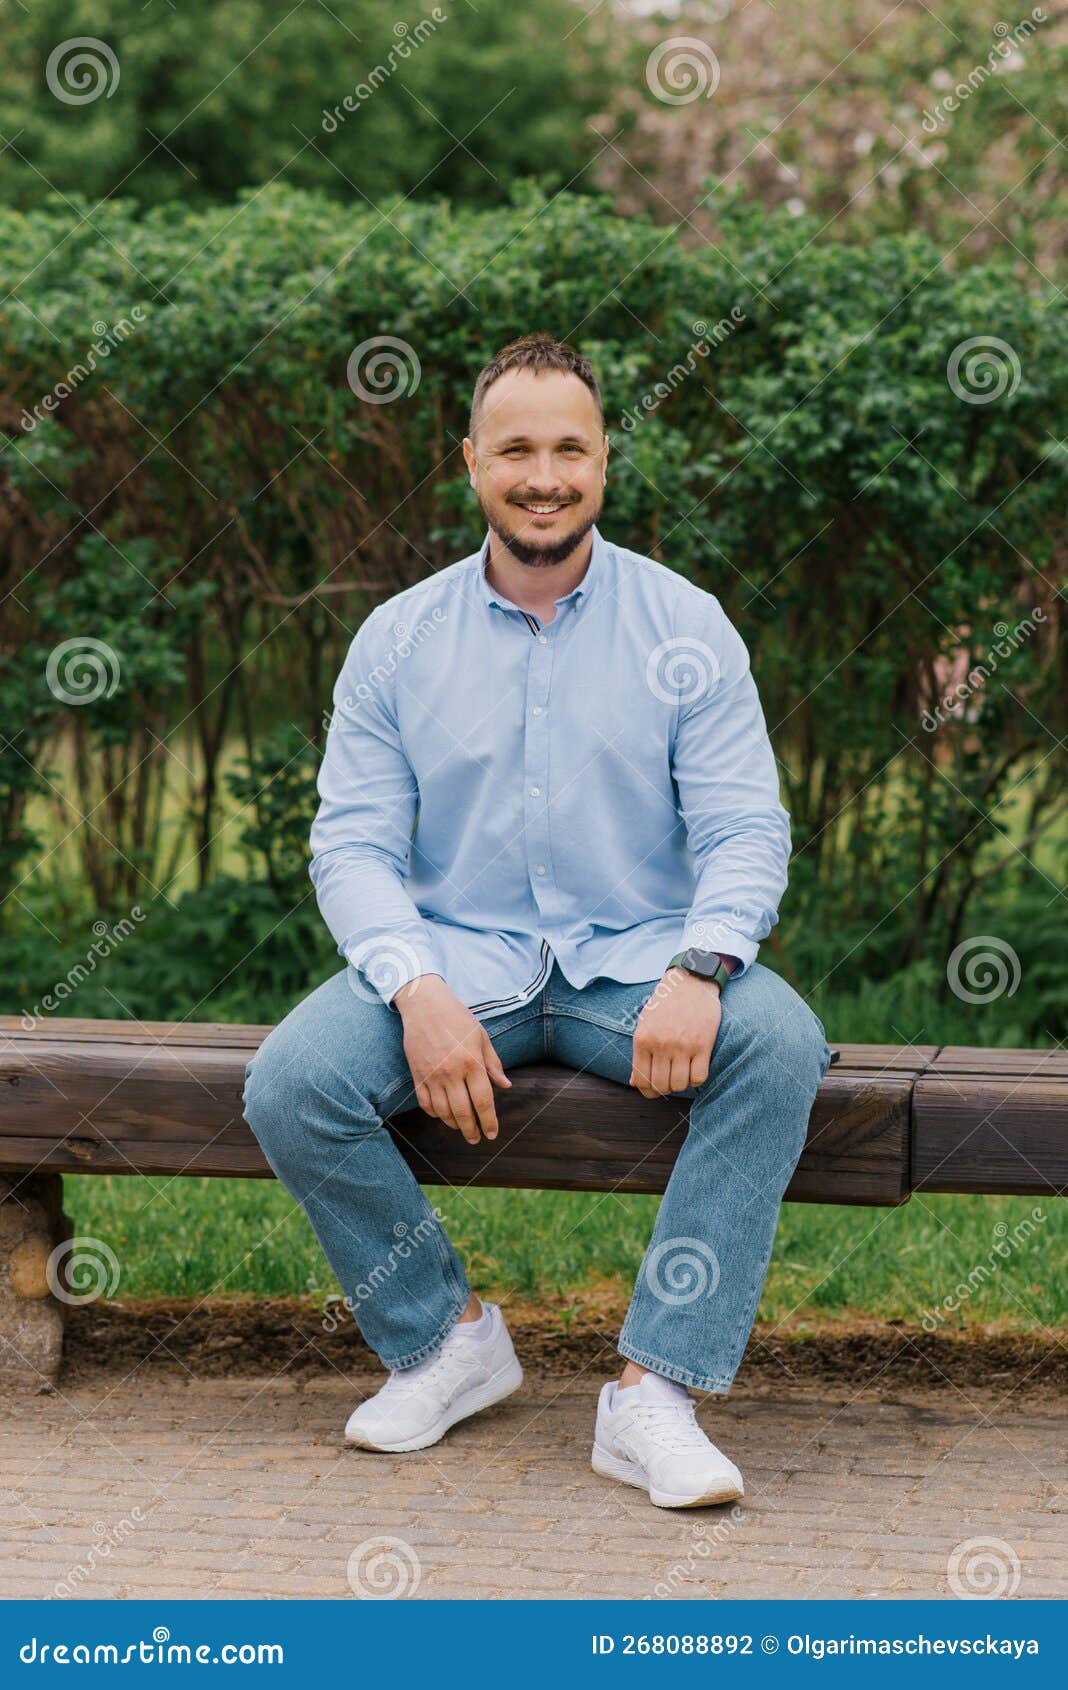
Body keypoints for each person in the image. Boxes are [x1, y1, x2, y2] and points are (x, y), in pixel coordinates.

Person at [242, 331, 832, 1510]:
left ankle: (651, 1392)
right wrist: (414, 986)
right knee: (292, 1081)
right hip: (461, 967)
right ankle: (443, 1339)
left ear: (606, 461)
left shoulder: (685, 625)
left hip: (639, 967)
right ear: (471, 464)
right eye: (517, 448)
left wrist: (704, 965)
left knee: (778, 1045)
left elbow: (744, 830)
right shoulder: (399, 639)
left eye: (571, 447)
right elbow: (352, 844)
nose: (545, 473)